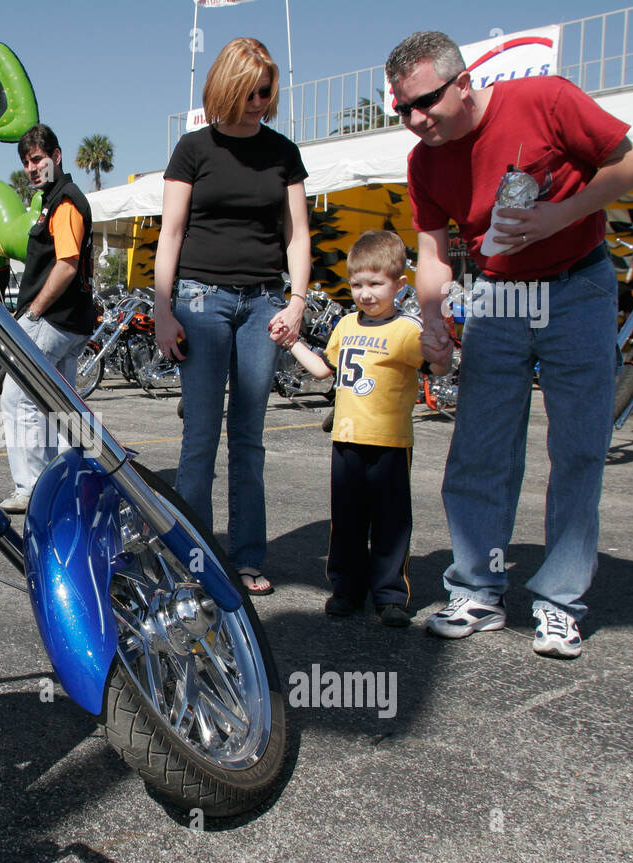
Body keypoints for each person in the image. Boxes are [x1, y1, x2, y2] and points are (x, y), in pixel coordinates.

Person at [385, 31, 633, 658]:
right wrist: (433, 317)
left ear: (463, 81)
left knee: (579, 447)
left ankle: (559, 602)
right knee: (481, 447)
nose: (416, 121)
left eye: (425, 103)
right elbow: (432, 249)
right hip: (498, 299)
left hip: (578, 287)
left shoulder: (546, 99)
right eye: (402, 111)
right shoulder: (425, 160)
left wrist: (562, 214)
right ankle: (478, 587)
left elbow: (631, 164)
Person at [153, 37, 311, 595]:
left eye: (266, 92)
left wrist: (297, 301)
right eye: (249, 91)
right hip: (199, 300)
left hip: (265, 301)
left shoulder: (283, 152)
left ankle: (245, 557)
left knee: (250, 437)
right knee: (200, 435)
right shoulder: (193, 148)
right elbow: (170, 234)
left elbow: (296, 234)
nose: (258, 101)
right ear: (226, 86)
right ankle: (190, 558)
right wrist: (162, 308)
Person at [289, 231, 447, 626]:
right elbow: (325, 370)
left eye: (376, 283)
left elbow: (438, 369)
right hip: (346, 440)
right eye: (357, 284)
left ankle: (390, 595)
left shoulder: (408, 331)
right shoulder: (344, 325)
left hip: (391, 443)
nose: (365, 293)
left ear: (399, 285)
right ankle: (346, 590)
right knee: (346, 521)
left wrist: (443, 352)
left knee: (391, 522)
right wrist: (291, 342)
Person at [0, 124, 95, 514]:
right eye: (26, 162)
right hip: (72, 322)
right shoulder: (53, 201)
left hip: (54, 319)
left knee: (18, 396)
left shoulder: (65, 202)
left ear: (56, 156)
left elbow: (68, 264)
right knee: (57, 404)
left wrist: (34, 311)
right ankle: (63, 483)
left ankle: (32, 487)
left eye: (37, 159)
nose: (32, 167)